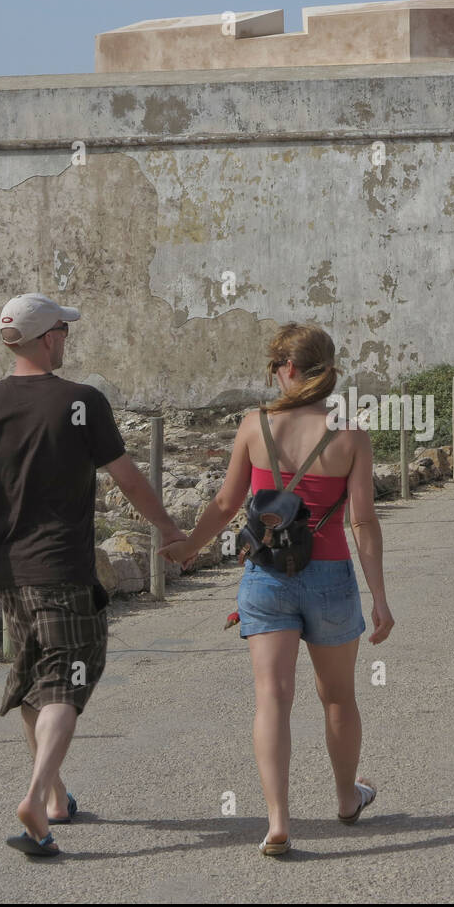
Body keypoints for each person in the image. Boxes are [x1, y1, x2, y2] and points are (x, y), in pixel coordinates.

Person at [0, 293, 188, 858]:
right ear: (46, 339)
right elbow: (128, 478)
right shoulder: (82, 402)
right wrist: (166, 527)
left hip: (9, 572)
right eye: (63, 331)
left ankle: (58, 798)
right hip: (64, 568)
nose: (67, 339)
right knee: (68, 678)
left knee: (29, 677)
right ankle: (36, 797)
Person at [164, 323, 394, 855]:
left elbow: (224, 505)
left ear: (285, 369)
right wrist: (379, 597)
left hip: (266, 576)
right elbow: (363, 521)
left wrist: (190, 546)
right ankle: (345, 798)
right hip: (332, 576)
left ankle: (277, 820)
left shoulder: (253, 425)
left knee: (272, 697)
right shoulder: (350, 431)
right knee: (337, 697)